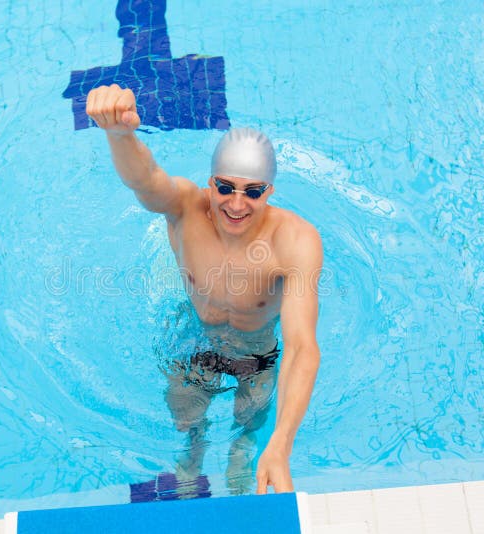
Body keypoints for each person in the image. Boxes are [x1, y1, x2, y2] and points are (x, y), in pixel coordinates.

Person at [86, 84, 322, 495]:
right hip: (193, 340)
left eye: (253, 191)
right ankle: (194, 450)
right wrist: (120, 135)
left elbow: (302, 347)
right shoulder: (185, 209)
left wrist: (281, 445)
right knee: (186, 420)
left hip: (256, 354)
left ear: (269, 191)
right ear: (210, 183)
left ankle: (243, 451)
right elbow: (146, 180)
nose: (236, 204)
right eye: (225, 187)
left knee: (250, 418)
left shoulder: (295, 241)